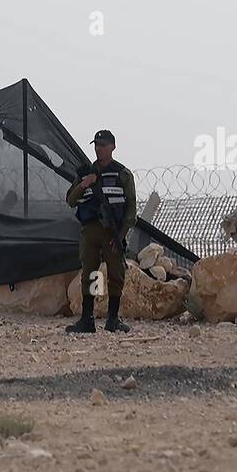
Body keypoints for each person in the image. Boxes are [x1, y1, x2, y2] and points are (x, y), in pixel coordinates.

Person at [63, 129, 137, 334]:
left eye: (103, 145)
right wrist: (84, 184)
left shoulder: (122, 174)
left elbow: (131, 207)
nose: (99, 149)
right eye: (96, 145)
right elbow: (70, 200)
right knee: (91, 274)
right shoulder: (85, 172)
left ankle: (113, 319)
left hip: (113, 232)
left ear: (112, 147)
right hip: (91, 231)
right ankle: (88, 319)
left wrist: (120, 235)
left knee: (115, 275)